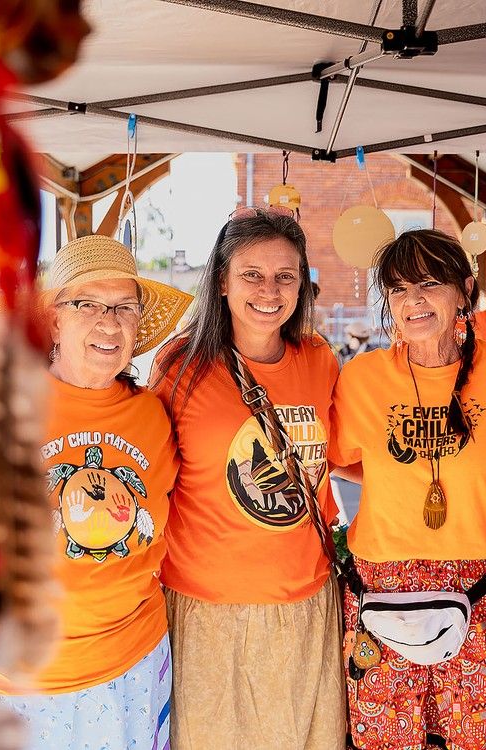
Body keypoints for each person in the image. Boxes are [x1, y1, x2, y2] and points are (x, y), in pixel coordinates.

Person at [0, 235, 192, 749]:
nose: (109, 322)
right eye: (87, 303)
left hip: (132, 663)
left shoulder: (153, 415)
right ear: (54, 321)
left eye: (125, 307)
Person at [330, 229, 486, 750]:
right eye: (398, 290)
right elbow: (344, 463)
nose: (413, 301)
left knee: (483, 740)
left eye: (428, 284)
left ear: (465, 289)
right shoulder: (362, 378)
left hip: (481, 585)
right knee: (386, 741)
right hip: (382, 586)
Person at [150, 208, 346, 749]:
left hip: (307, 604)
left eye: (286, 276)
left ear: (302, 285)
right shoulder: (179, 366)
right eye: (251, 274)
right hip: (207, 610)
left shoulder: (319, 360)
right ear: (221, 280)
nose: (269, 290)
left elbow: (346, 454)